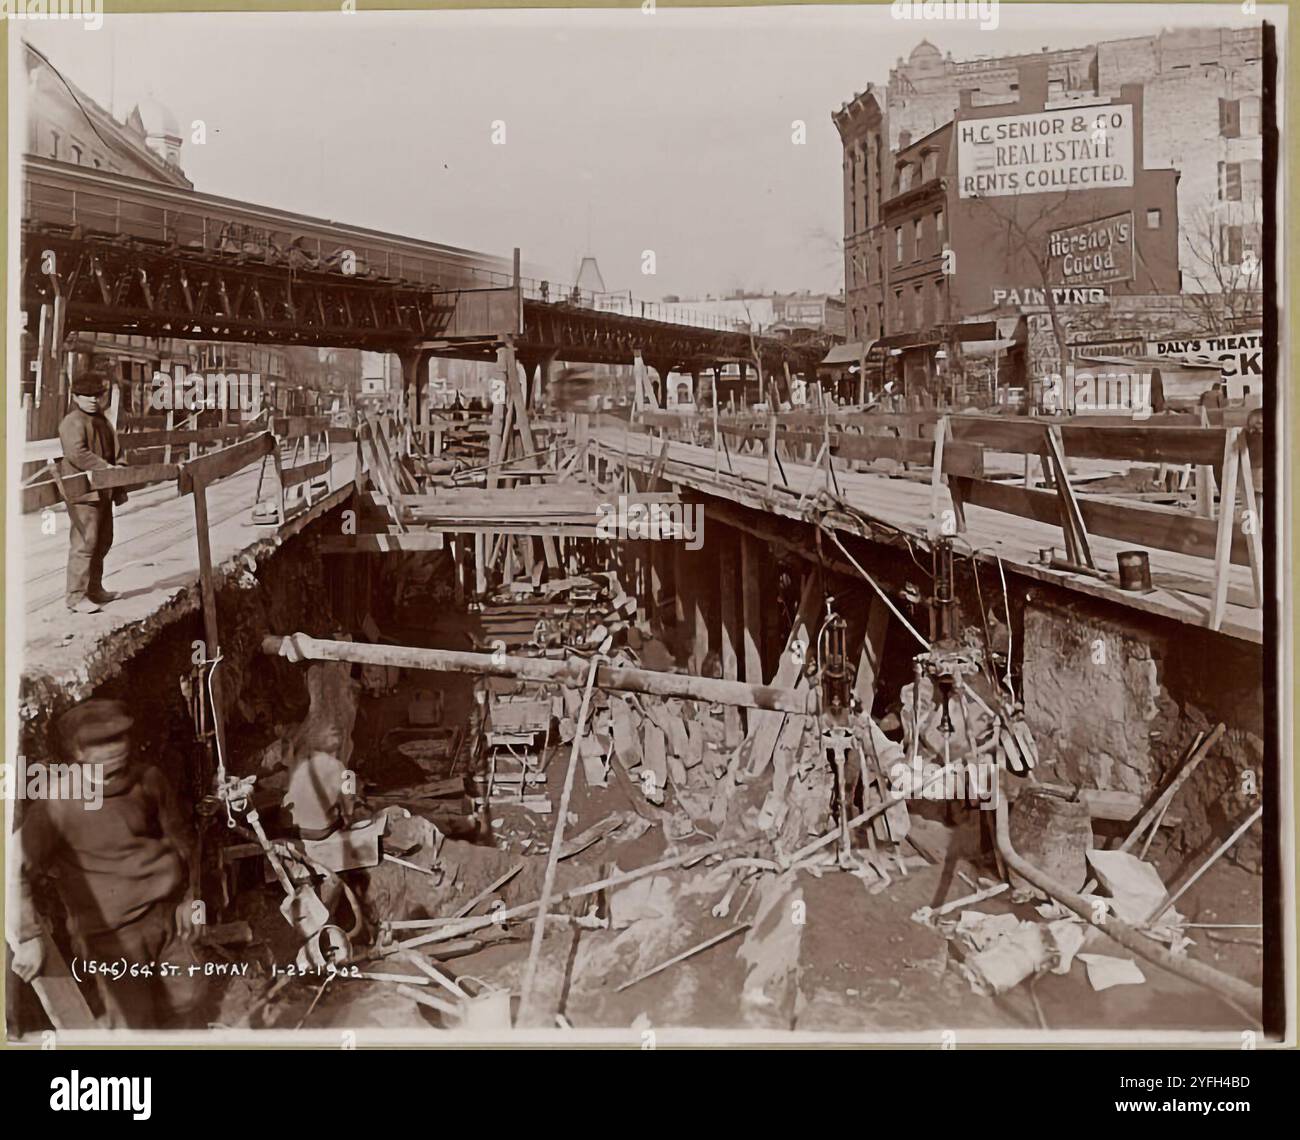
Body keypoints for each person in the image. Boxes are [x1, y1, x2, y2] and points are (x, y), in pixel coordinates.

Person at [10, 700, 201, 1029]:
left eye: (120, 737)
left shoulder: (149, 780)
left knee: (189, 999)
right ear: (77, 752)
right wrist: (27, 937)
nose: (116, 749)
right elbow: (11, 868)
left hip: (167, 920)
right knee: (135, 1024)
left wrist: (190, 898)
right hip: (111, 939)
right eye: (101, 743)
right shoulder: (58, 804)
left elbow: (180, 839)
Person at [58, 370, 128, 613]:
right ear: (75, 397)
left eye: (97, 395)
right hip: (84, 492)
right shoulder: (72, 422)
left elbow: (117, 450)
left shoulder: (103, 420)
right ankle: (76, 596)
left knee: (103, 540)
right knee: (85, 542)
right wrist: (106, 468)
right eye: (87, 396)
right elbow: (76, 453)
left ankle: (94, 588)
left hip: (104, 489)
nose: (93, 400)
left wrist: (119, 468)